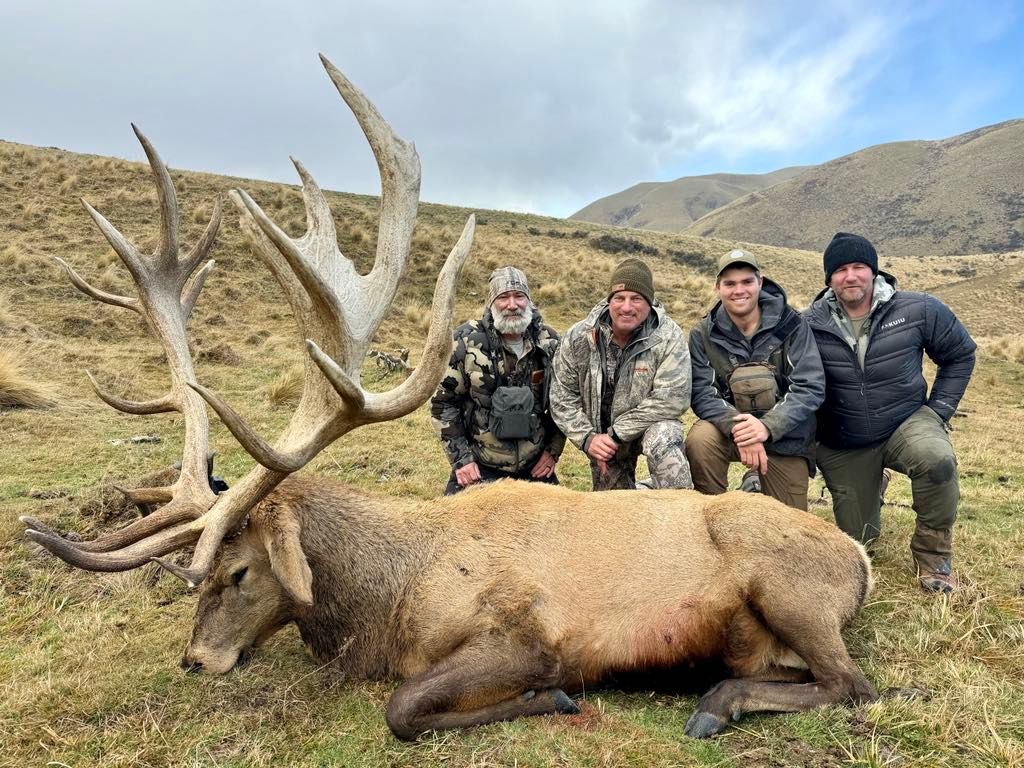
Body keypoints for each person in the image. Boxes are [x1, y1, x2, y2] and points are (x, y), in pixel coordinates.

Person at [807, 232, 976, 593]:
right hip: (844, 440)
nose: (850, 276)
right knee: (860, 543)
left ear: (874, 271)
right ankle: (872, 481)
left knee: (936, 459)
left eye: (858, 267)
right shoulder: (808, 323)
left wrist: (939, 410)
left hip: (905, 422)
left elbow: (960, 354)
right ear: (828, 279)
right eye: (840, 270)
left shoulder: (919, 309)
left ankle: (933, 559)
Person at [686, 249, 824, 510]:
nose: (739, 290)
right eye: (730, 283)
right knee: (700, 439)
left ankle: (757, 482)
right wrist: (742, 430)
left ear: (760, 282)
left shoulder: (792, 324)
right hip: (731, 433)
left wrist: (766, 428)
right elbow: (703, 393)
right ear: (718, 288)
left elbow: (809, 387)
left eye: (747, 281)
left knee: (788, 530)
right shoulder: (703, 333)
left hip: (786, 437)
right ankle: (713, 513)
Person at [550, 257, 692, 490]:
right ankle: (646, 490)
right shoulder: (578, 336)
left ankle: (681, 513)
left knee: (665, 436)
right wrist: (588, 440)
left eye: (636, 299)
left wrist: (617, 434)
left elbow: (672, 398)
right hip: (603, 441)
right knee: (612, 514)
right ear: (609, 301)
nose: (626, 307)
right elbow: (561, 398)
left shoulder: (668, 336)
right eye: (619, 298)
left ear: (650, 302)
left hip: (644, 430)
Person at [431, 267, 565, 495]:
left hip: (535, 467)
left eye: (519, 296)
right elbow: (444, 404)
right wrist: (462, 461)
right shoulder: (464, 341)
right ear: (491, 302)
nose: (512, 304)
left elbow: (564, 403)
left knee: (561, 526)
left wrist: (552, 452)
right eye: (503, 297)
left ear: (529, 301)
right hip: (481, 466)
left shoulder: (550, 341)